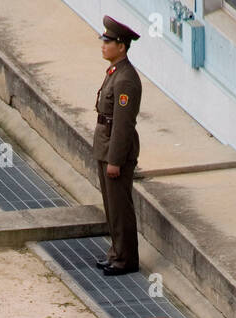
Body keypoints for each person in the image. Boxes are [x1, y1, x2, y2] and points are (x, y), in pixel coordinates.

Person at [93, 15, 142, 277]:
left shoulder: (125, 80)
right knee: (111, 206)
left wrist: (115, 160)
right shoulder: (115, 72)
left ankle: (126, 259)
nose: (103, 44)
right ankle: (116, 252)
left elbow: (123, 125)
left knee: (120, 207)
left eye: (107, 41)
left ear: (121, 45)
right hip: (105, 145)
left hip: (115, 150)